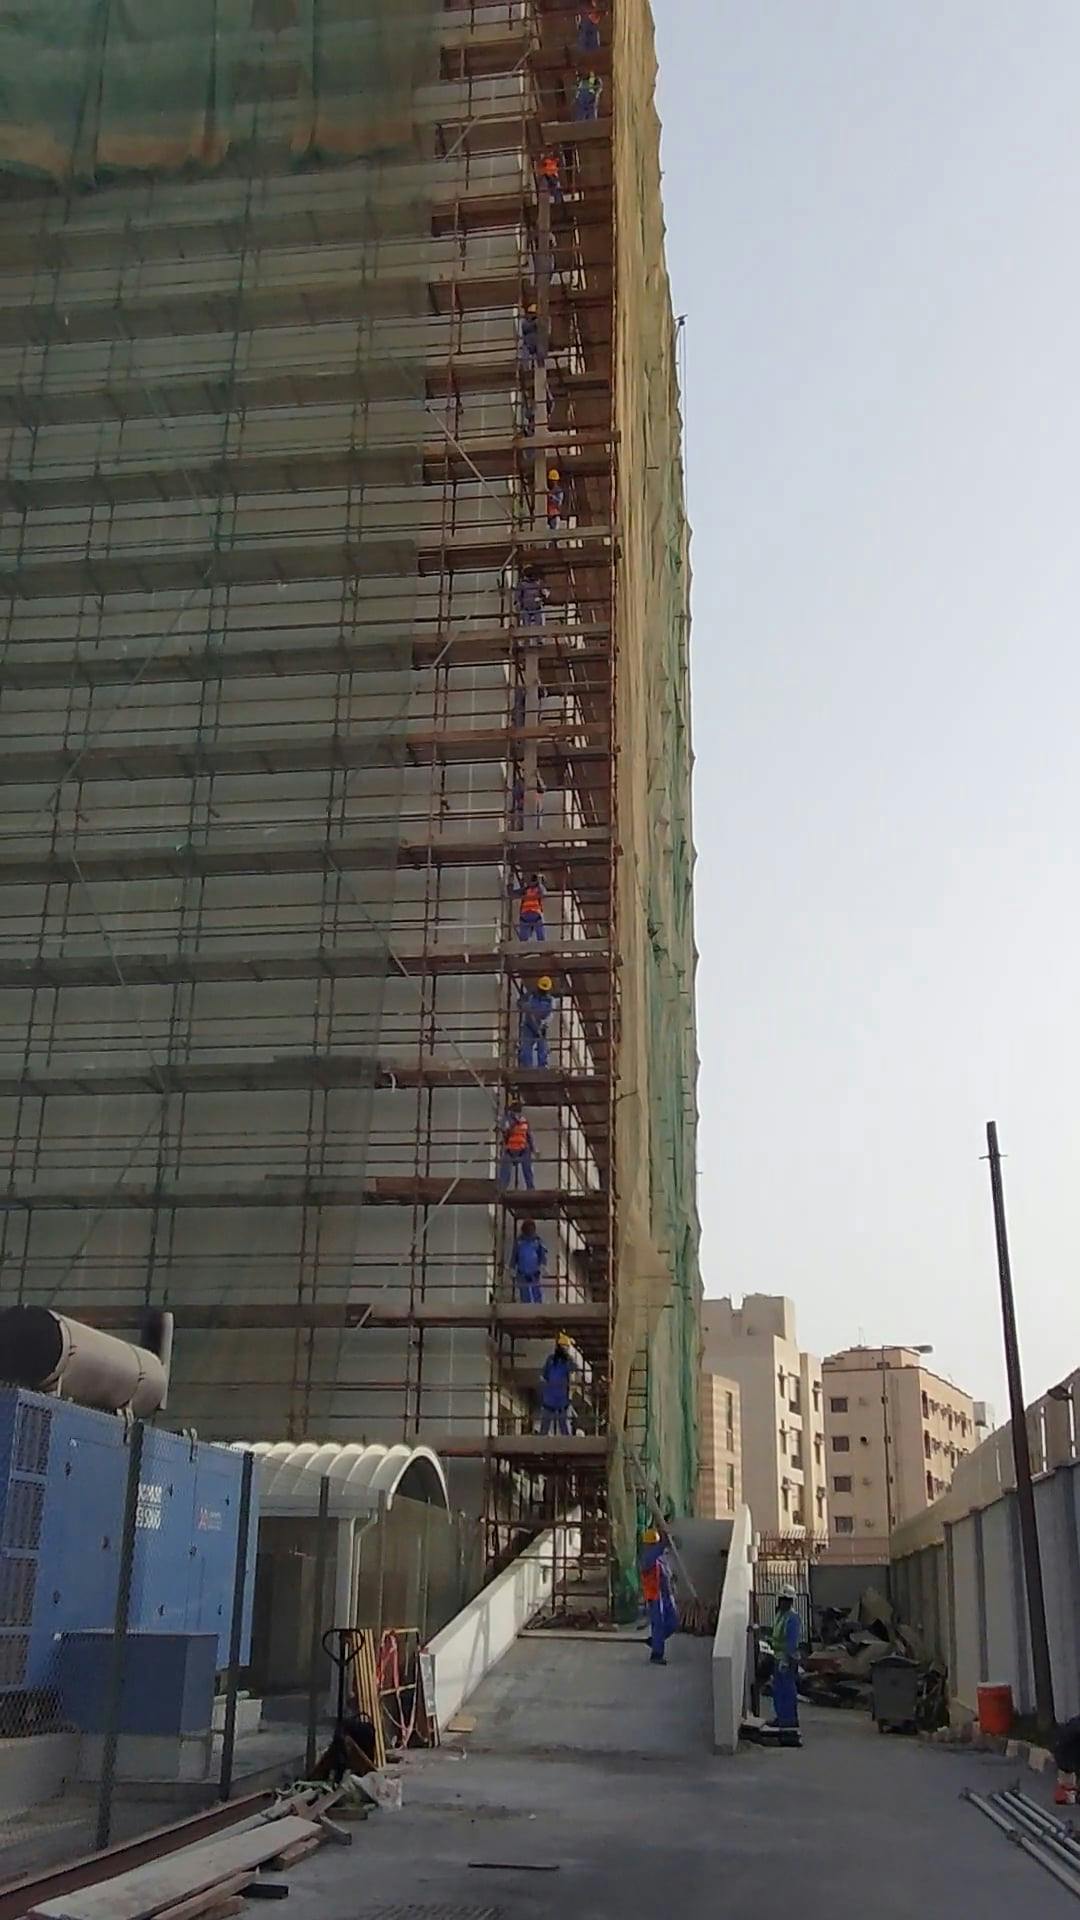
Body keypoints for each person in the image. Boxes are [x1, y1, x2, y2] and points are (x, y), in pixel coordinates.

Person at [639, 1527, 678, 1665]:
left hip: (665, 1594)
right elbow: (654, 1555)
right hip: (654, 1596)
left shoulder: (660, 1558)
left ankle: (655, 1640)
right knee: (658, 1624)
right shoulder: (647, 1559)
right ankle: (657, 1654)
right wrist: (664, 1542)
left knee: (673, 1623)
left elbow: (667, 1573)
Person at [769, 1585, 802, 1744]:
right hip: (777, 1657)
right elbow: (775, 1634)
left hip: (786, 1660)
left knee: (787, 1690)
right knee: (778, 1691)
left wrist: (788, 1660)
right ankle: (782, 1717)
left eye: (786, 1600)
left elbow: (791, 1641)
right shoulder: (780, 1615)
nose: (783, 1602)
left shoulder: (792, 1618)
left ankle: (789, 1719)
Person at [538, 1333, 576, 1434]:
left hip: (562, 1398)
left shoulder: (568, 1361)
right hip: (550, 1397)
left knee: (564, 1426)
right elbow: (543, 1375)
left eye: (567, 1347)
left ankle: (567, 1448)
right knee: (545, 1427)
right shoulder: (551, 1360)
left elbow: (573, 1371)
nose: (566, 1349)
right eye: (565, 1347)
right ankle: (540, 1447)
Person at [518, 975, 554, 1067]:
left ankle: (543, 1068)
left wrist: (544, 1023)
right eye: (541, 990)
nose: (542, 992)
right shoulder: (530, 995)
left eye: (544, 991)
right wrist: (524, 1005)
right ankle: (527, 1068)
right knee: (526, 1048)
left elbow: (550, 1015)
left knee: (542, 1048)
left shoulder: (550, 1001)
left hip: (541, 1027)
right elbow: (519, 1002)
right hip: (529, 1026)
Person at [499, 1099, 535, 1189]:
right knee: (505, 1171)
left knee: (527, 1170)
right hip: (510, 1149)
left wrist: (533, 1148)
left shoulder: (524, 1121)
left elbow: (529, 1135)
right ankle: (502, 1188)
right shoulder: (507, 1119)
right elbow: (505, 1131)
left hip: (523, 1149)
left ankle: (530, 1188)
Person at [510, 1217, 547, 1303]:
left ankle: (538, 1309)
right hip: (522, 1273)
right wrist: (512, 1267)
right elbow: (514, 1255)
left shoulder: (537, 1241)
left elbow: (542, 1254)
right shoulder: (519, 1241)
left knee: (536, 1293)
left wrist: (543, 1265)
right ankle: (526, 1309)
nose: (529, 1230)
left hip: (535, 1273)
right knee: (525, 1294)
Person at [515, 872, 545, 941]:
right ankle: (541, 945)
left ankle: (524, 944)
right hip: (534, 914)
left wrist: (510, 883)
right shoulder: (527, 889)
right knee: (540, 936)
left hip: (526, 915)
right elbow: (542, 893)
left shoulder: (526, 889)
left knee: (524, 939)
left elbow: (512, 893)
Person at [519, 303, 542, 372]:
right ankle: (525, 369)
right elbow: (524, 329)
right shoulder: (524, 322)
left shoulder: (537, 321)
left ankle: (540, 368)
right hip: (528, 342)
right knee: (525, 355)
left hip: (536, 341)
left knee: (539, 355)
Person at [546, 466, 565, 531]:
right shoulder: (550, 490)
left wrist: (551, 496)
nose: (551, 483)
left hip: (555, 516)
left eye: (552, 481)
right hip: (548, 516)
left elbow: (559, 502)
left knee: (554, 534)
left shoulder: (559, 491)